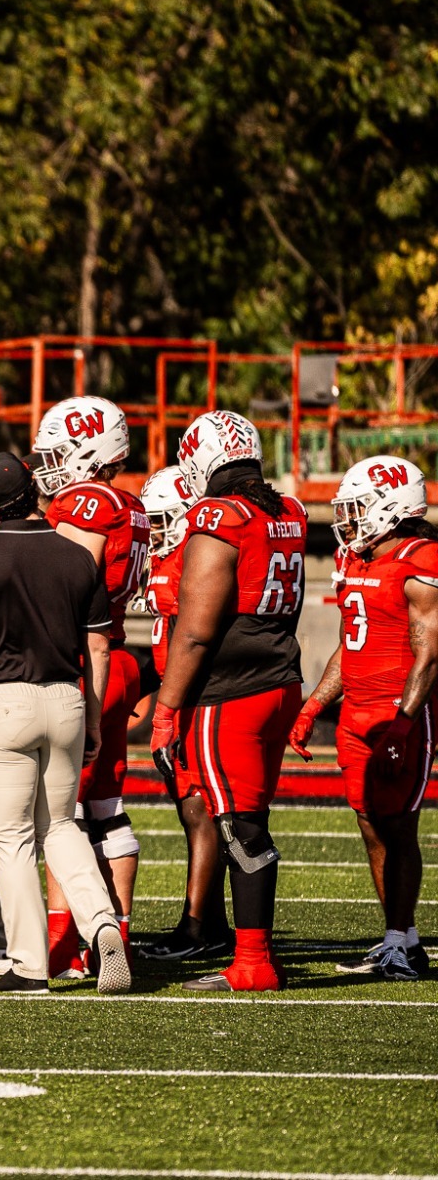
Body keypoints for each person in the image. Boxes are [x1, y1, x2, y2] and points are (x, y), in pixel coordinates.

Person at [0, 452, 131, 993]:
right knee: (60, 826)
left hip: (1, 703)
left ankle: (29, 965)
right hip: (65, 699)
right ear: (34, 488)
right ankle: (103, 924)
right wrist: (97, 716)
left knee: (11, 839)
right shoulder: (78, 556)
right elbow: (99, 644)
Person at [149, 411, 308, 992]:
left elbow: (194, 631)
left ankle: (253, 960)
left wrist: (166, 709)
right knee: (249, 821)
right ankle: (250, 953)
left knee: (239, 826)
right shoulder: (286, 509)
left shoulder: (218, 516)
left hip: (230, 692)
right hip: (279, 680)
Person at [291, 457, 436, 981]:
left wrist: (403, 721)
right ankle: (404, 941)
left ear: (393, 507)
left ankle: (399, 941)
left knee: (398, 826)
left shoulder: (421, 557)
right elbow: (349, 649)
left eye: (358, 508)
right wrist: (313, 705)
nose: (348, 520)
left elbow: (431, 653)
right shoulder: (357, 560)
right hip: (355, 712)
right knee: (370, 822)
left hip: (398, 712)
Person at [32, 396, 150, 979]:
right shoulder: (129, 502)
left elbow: (68, 583)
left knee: (61, 810)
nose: (49, 466)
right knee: (106, 803)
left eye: (58, 454)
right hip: (118, 655)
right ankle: (118, 935)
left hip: (82, 659)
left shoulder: (87, 500)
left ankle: (63, 940)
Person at [137, 465, 232, 961]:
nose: (154, 531)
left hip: (194, 701)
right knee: (192, 812)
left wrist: (169, 708)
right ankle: (208, 921)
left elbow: (192, 636)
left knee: (199, 811)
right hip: (180, 697)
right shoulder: (168, 556)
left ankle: (198, 926)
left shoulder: (190, 559)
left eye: (160, 520)